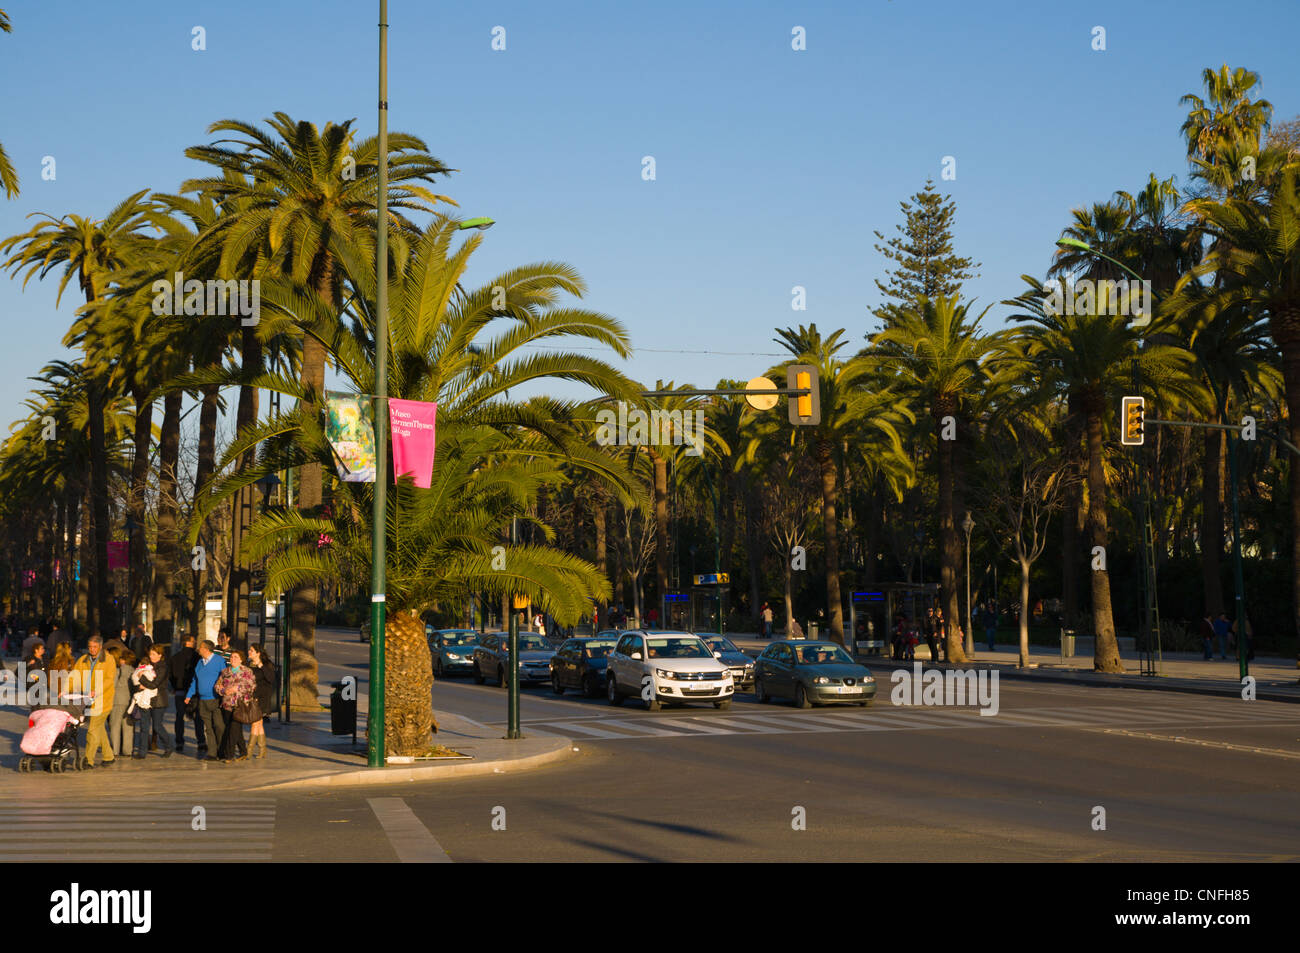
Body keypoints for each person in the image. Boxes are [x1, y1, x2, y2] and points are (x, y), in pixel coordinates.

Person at [69, 634, 116, 768]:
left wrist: (97, 690)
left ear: (100, 647)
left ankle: (88, 760)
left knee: (92, 730)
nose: (92, 649)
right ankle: (108, 756)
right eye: (90, 646)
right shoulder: (83, 659)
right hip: (87, 700)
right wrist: (67, 689)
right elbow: (74, 676)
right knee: (98, 728)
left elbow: (108, 679)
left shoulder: (108, 659)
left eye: (95, 647)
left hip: (103, 700)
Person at [185, 640, 227, 762]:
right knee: (208, 728)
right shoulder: (200, 663)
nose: (198, 649)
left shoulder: (219, 661)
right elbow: (195, 680)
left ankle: (222, 750)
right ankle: (212, 753)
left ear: (206, 649)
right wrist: (189, 695)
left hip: (215, 699)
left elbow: (225, 677)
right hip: (202, 700)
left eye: (201, 647)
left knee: (219, 726)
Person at [131, 645, 173, 759]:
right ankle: (142, 752)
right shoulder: (147, 665)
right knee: (144, 726)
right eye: (150, 654)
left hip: (158, 700)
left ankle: (168, 746)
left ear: (160, 655)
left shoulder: (163, 667)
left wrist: (141, 677)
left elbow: (154, 685)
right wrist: (140, 685)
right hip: (145, 700)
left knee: (157, 726)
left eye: (154, 654)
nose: (151, 656)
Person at [215, 650, 256, 762]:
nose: (233, 659)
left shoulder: (247, 671)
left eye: (236, 657)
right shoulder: (225, 671)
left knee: (233, 729)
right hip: (227, 704)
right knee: (234, 729)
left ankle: (229, 755)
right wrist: (223, 690)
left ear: (241, 659)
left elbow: (251, 687)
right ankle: (243, 752)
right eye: (232, 657)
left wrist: (236, 689)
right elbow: (217, 685)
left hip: (240, 705)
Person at [168, 634, 204, 754]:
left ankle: (179, 741)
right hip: (195, 691)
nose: (195, 643)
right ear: (189, 642)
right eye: (194, 641)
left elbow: (171, 675)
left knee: (179, 716)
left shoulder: (175, 657)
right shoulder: (197, 657)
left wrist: (174, 686)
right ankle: (201, 741)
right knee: (197, 717)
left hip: (180, 690)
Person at [106, 646, 136, 760]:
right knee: (128, 726)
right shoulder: (134, 670)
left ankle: (115, 750)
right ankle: (128, 750)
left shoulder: (118, 670)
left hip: (117, 700)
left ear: (123, 659)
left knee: (115, 726)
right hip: (129, 701)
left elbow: (112, 685)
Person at [247, 643, 276, 759]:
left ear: (258, 653)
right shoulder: (248, 665)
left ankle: (249, 751)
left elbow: (271, 679)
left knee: (255, 723)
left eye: (252, 650)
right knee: (258, 724)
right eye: (249, 650)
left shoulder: (267, 664)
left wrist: (261, 665)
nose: (249, 652)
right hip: (253, 697)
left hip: (262, 698)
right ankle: (262, 749)